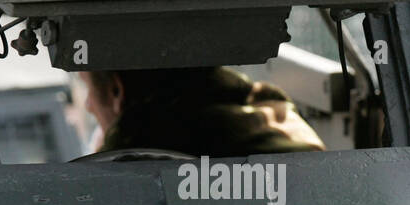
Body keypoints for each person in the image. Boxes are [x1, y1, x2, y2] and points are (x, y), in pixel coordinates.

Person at [81, 65, 326, 157]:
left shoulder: (130, 157)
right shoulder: (271, 110)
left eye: (88, 89)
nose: (88, 105)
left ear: (116, 90)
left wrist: (112, 147)